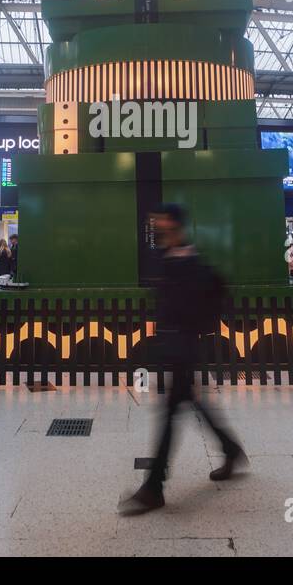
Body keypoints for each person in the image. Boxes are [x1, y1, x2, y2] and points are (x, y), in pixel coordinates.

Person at [119, 204, 244, 515]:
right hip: (172, 346)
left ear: (174, 224)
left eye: (162, 220)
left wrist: (194, 328)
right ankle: (231, 449)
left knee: (171, 410)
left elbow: (215, 295)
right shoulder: (166, 259)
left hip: (184, 348)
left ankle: (154, 487)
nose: (157, 225)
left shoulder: (192, 264)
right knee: (189, 401)